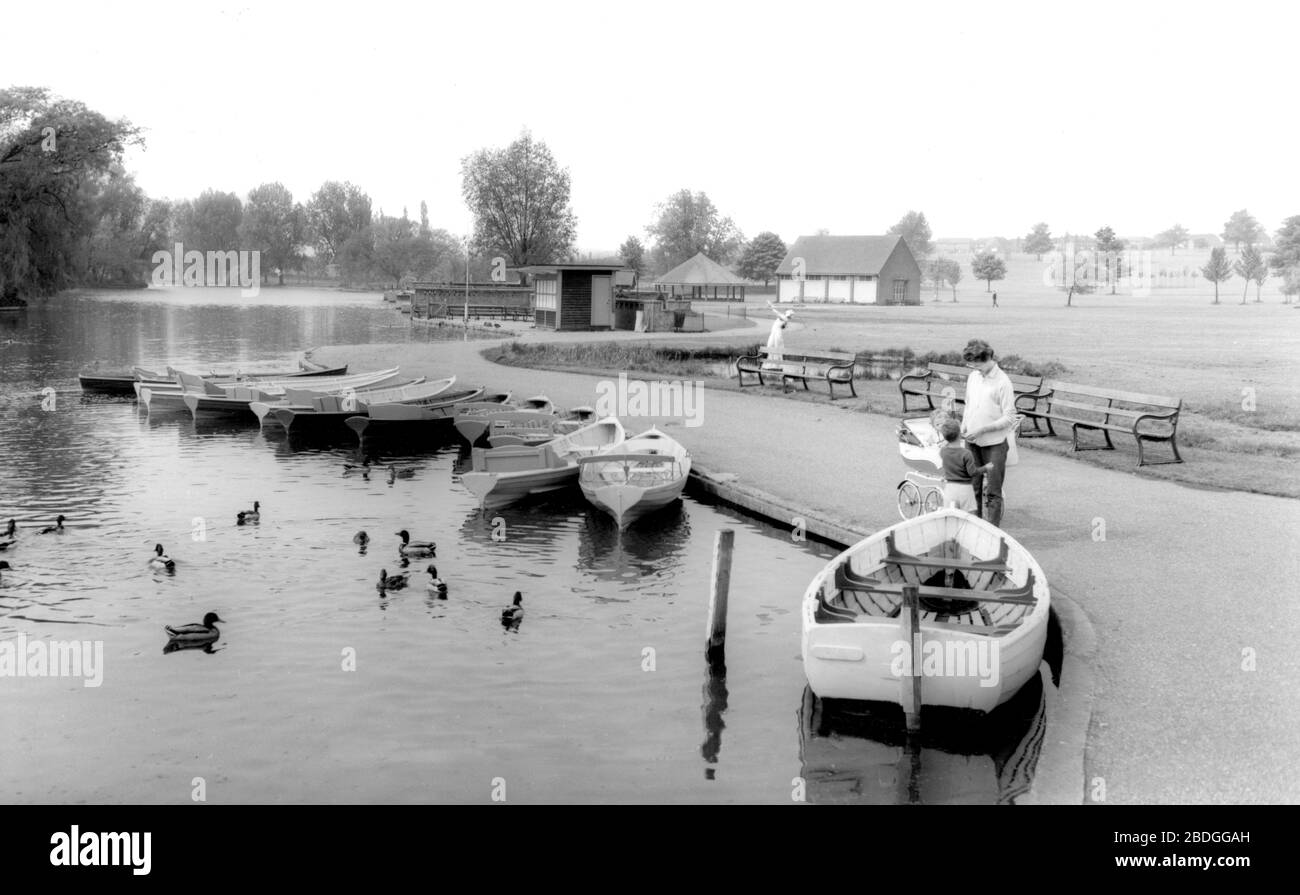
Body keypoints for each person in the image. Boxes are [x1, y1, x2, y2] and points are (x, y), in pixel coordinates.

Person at [959, 339, 1017, 527]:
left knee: (992, 491)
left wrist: (983, 429)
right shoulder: (974, 376)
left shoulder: (1003, 382)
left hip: (994, 445)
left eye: (978, 364)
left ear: (988, 358)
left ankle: (992, 534)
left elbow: (1009, 418)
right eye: (972, 364)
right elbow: (969, 404)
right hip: (972, 442)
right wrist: (964, 424)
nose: (975, 368)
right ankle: (974, 529)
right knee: (973, 488)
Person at [938, 418, 992, 512]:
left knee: (951, 516)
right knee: (969, 517)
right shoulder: (966, 453)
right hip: (965, 489)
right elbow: (973, 472)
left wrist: (946, 441)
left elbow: (945, 447)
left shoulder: (943, 452)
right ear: (960, 434)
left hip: (950, 488)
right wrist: (985, 468)